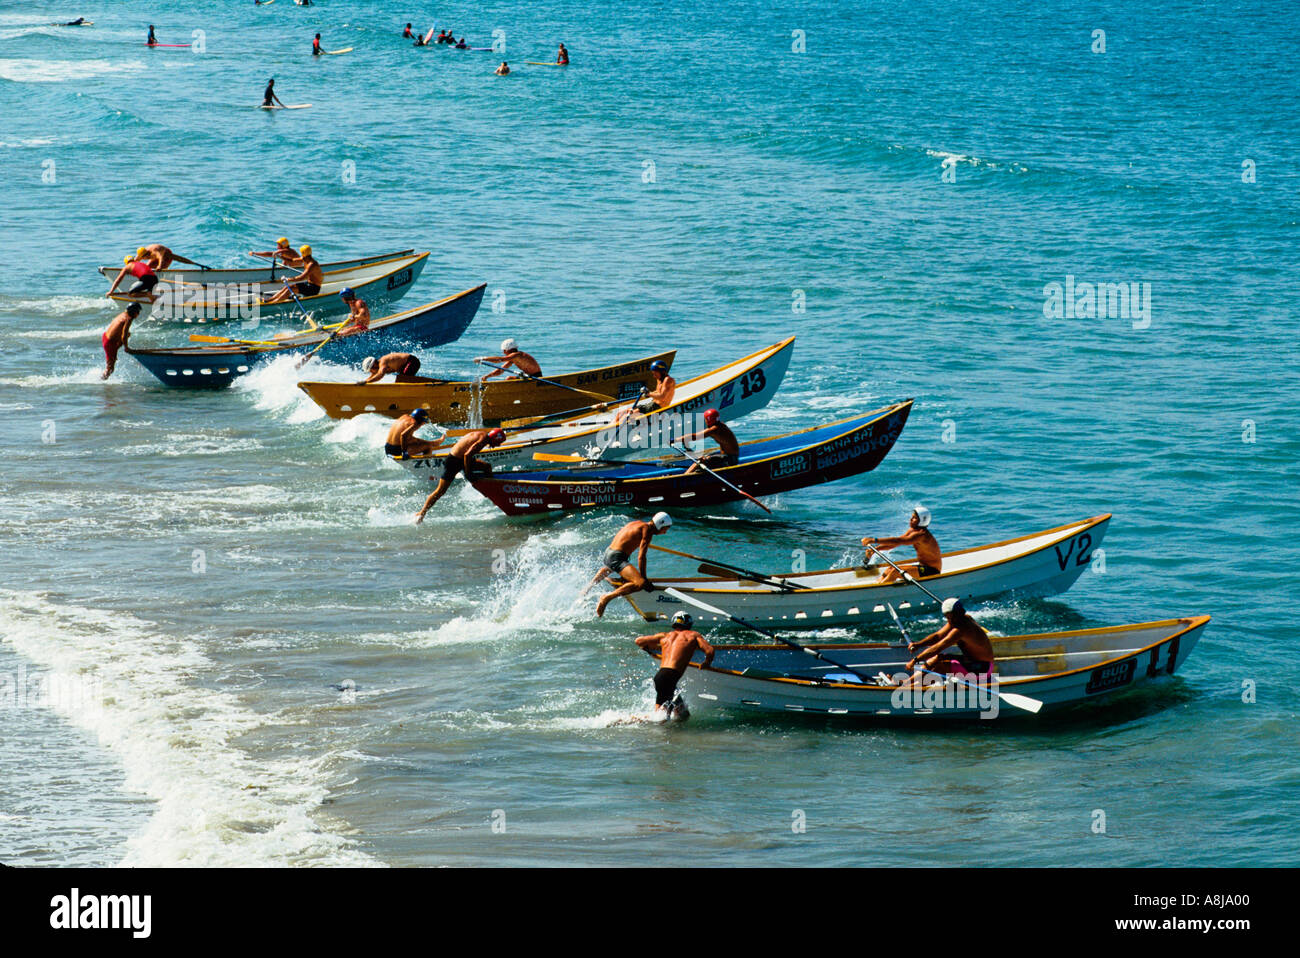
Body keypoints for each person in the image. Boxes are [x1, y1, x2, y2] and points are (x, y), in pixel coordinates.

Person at [582, 513, 673, 617]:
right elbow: (641, 557)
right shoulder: (647, 530)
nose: (665, 532)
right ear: (659, 524)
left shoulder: (637, 523)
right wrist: (644, 579)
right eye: (665, 529)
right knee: (640, 583)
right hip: (616, 557)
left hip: (608, 553)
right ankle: (606, 598)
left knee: (611, 569)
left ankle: (586, 589)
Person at [414, 428, 507, 522]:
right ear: (495, 439)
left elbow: (466, 453)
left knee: (486, 467)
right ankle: (421, 513)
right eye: (498, 443)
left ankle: (494, 495)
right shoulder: (483, 441)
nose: (498, 445)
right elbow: (467, 455)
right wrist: (468, 473)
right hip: (454, 462)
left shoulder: (482, 434)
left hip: (459, 458)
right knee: (440, 491)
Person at [900, 598, 995, 688]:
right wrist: (918, 644)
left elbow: (938, 647)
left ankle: (909, 688)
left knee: (942, 667)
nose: (948, 619)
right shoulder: (960, 619)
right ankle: (907, 682)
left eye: (948, 616)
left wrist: (915, 660)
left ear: (955, 614)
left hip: (983, 669)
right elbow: (937, 636)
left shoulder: (961, 629)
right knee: (937, 658)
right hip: (971, 661)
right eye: (947, 616)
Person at [634, 611, 713, 717]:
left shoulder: (664, 636)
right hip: (670, 677)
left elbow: (638, 641)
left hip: (661, 676)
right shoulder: (693, 635)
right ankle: (625, 722)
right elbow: (710, 650)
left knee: (683, 715)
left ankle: (672, 732)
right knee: (661, 718)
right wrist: (707, 662)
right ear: (689, 624)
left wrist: (650, 648)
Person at [862, 506, 942, 582]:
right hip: (922, 567)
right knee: (890, 569)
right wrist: (875, 550)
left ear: (922, 521)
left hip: (932, 571)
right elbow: (894, 544)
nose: (910, 519)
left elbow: (897, 540)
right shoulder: (912, 531)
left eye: (914, 518)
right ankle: (877, 585)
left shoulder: (921, 535)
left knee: (895, 572)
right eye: (912, 517)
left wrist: (873, 540)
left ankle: (878, 591)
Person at [679, 408, 739, 473]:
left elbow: (694, 437)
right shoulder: (721, 426)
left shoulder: (715, 429)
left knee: (701, 461)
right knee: (703, 458)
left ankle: (683, 477)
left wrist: (675, 440)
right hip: (730, 458)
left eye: (705, 419)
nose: (705, 421)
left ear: (708, 420)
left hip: (729, 460)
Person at [101, 303, 141, 379]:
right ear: (134, 312)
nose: (138, 314)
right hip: (110, 342)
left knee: (129, 334)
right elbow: (124, 335)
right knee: (110, 369)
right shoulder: (129, 319)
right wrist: (126, 347)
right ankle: (101, 381)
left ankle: (114, 354)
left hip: (105, 337)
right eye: (138, 312)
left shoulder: (123, 314)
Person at [360, 353, 425, 384]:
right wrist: (363, 382)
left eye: (371, 371)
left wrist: (366, 382)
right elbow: (373, 376)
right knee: (400, 381)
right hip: (406, 364)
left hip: (412, 362)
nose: (371, 373)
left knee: (402, 381)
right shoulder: (378, 366)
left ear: (373, 365)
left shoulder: (383, 362)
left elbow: (380, 375)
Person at [135, 243, 200, 271]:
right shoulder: (140, 255)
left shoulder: (154, 251)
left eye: (147, 256)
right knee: (147, 267)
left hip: (166, 255)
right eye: (143, 258)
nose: (145, 258)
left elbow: (161, 258)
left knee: (161, 268)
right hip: (156, 257)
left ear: (147, 253)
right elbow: (133, 262)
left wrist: (159, 266)